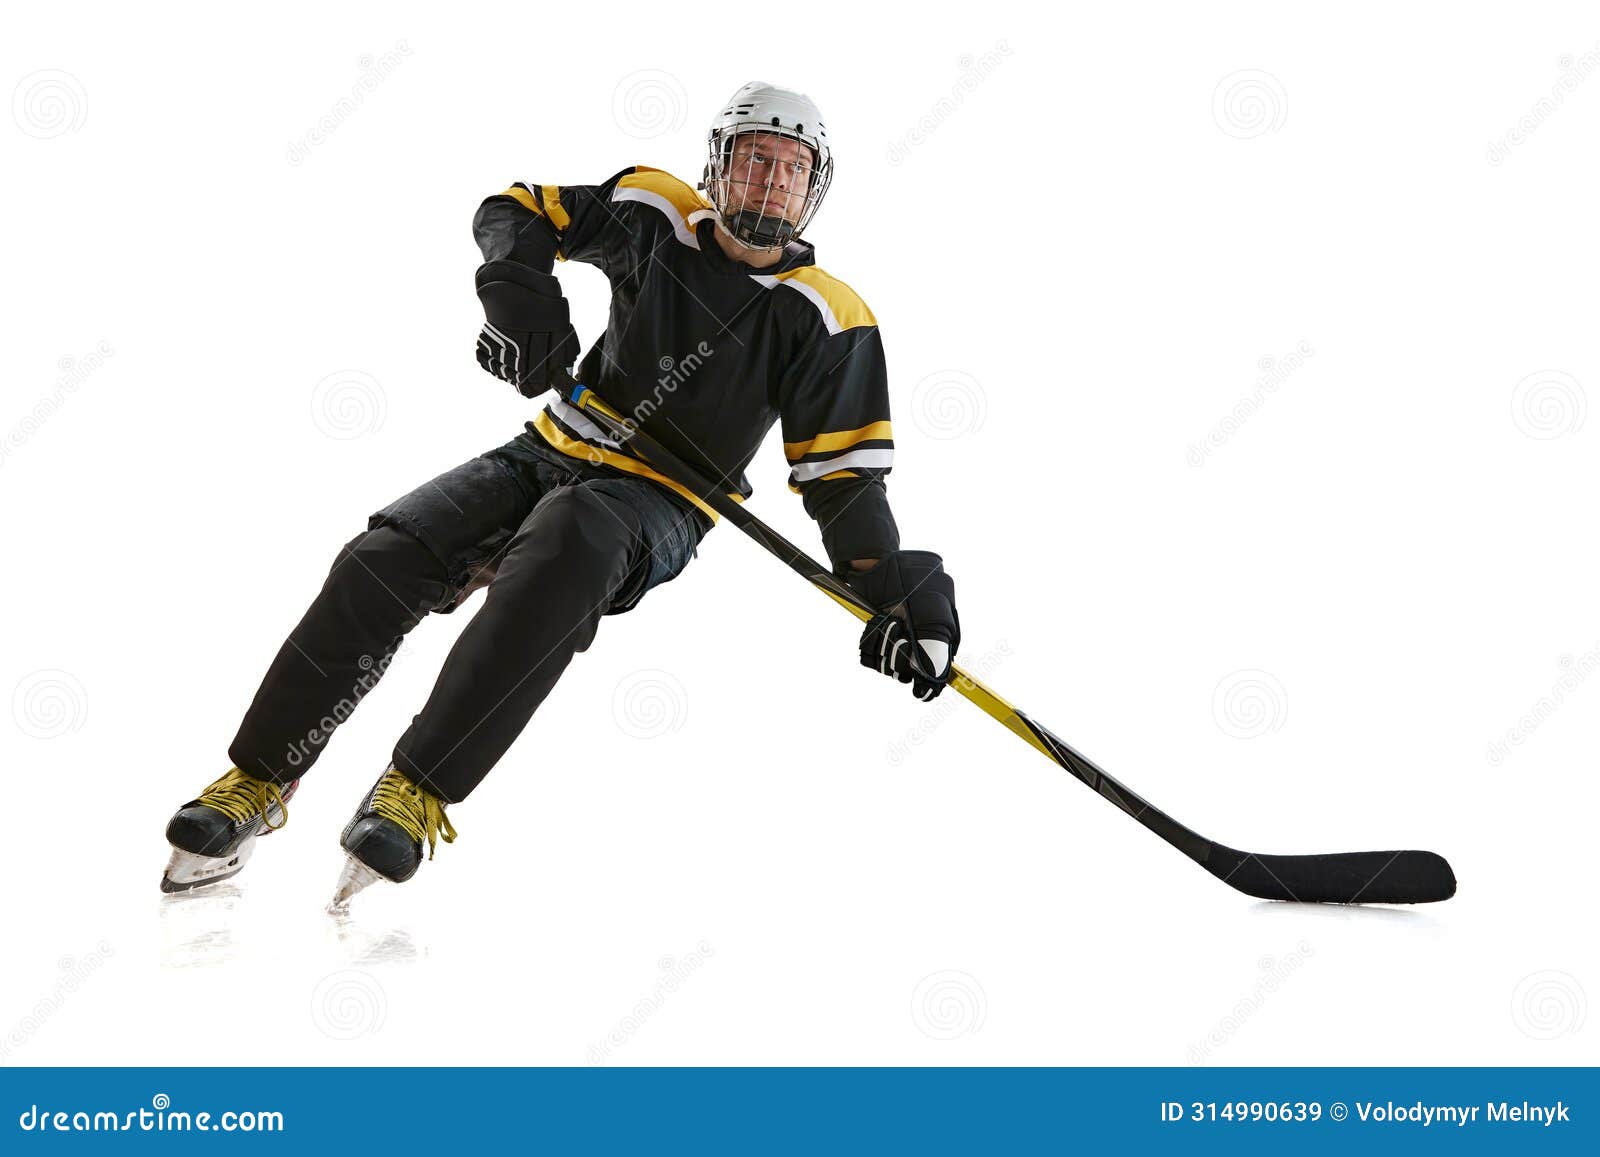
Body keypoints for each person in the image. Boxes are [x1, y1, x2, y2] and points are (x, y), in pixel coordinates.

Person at [160, 81, 961, 903]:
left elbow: (844, 484)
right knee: (384, 556)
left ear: (815, 186)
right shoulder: (654, 211)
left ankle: (416, 788)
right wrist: (521, 300)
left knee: (570, 537)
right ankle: (258, 778)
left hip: (657, 503)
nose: (774, 182)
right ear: (719, 165)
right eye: (757, 158)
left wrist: (896, 587)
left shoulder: (829, 318)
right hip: (548, 448)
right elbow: (514, 210)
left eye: (794, 169)